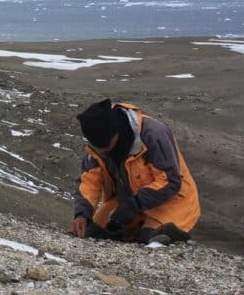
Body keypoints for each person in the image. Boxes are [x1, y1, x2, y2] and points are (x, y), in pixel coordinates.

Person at [67, 99, 200, 244]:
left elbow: (170, 181)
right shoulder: (98, 147)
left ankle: (176, 236)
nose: (103, 150)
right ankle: (132, 231)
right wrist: (82, 215)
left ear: (116, 130)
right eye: (99, 147)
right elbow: (89, 182)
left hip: (171, 200)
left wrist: (134, 204)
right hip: (126, 202)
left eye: (106, 145)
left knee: (149, 240)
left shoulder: (153, 134)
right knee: (92, 233)